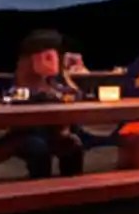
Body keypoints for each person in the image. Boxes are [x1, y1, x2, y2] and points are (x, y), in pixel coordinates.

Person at [10, 30, 87, 179]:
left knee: (73, 146)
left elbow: (76, 95)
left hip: (56, 132)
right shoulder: (23, 79)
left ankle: (73, 189)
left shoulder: (52, 81)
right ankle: (40, 190)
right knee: (39, 149)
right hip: (28, 133)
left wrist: (65, 73)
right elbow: (16, 98)